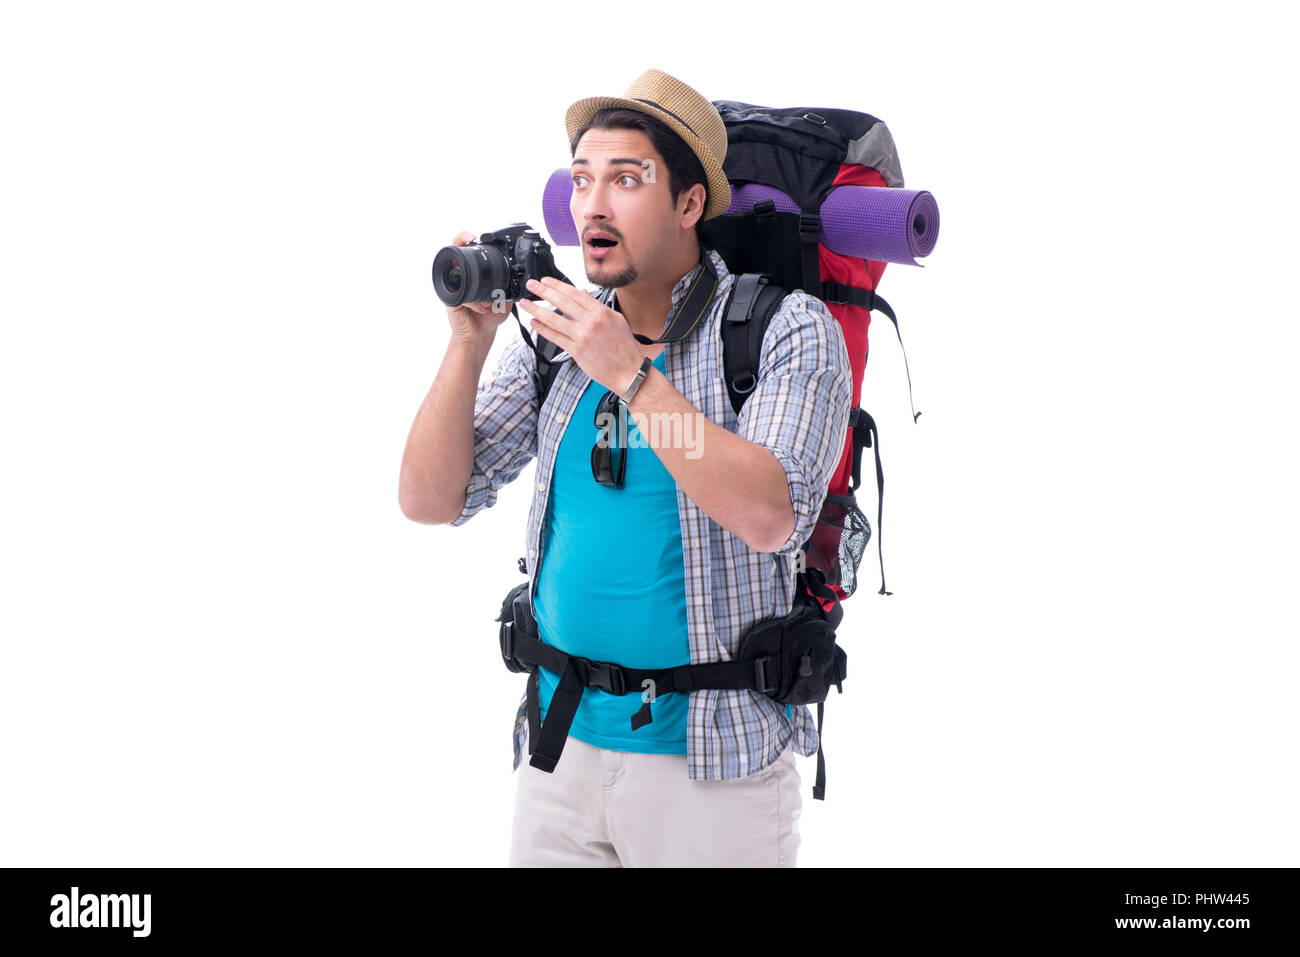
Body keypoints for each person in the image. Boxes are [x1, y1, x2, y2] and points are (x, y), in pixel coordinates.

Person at [398, 69, 851, 867]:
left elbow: (772, 513)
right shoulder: (560, 339)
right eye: (581, 180)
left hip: (714, 768)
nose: (593, 205)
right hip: (558, 748)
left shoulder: (784, 329)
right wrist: (467, 342)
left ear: (688, 205)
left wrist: (632, 375)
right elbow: (430, 499)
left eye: (626, 179)